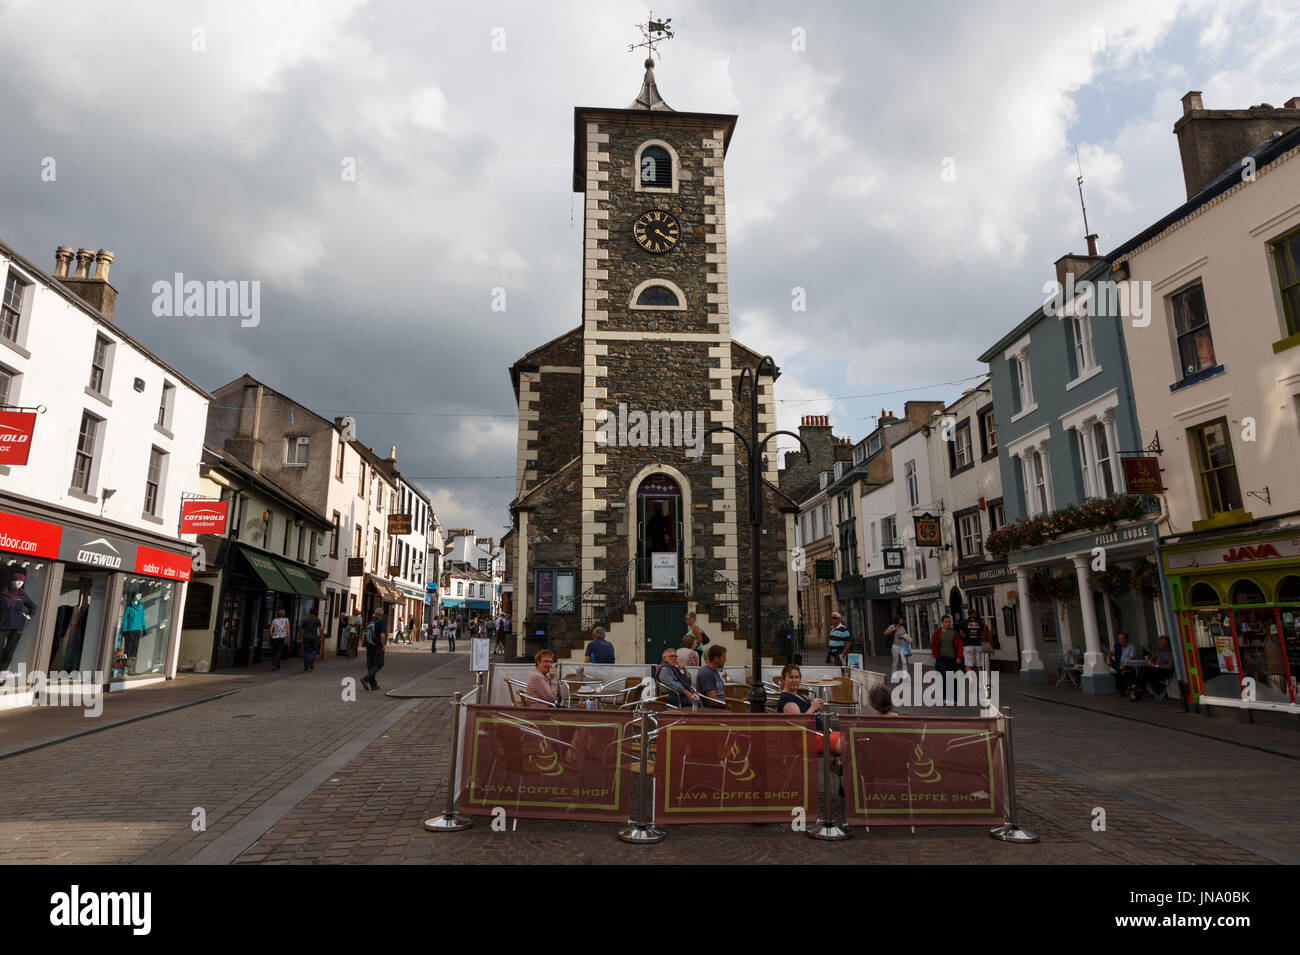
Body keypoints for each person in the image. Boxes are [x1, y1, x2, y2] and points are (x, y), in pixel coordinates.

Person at [777, 665, 847, 765]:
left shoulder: (796, 695)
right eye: (791, 677)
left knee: (851, 738)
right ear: (784, 679)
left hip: (817, 734)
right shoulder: (788, 700)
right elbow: (798, 726)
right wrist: (812, 708)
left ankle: (843, 768)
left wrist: (814, 707)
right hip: (805, 739)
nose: (794, 680)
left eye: (797, 677)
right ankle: (848, 771)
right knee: (848, 744)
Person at [0, 571, 37, 687]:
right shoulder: (3, 593)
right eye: (18, 581)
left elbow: (33, 606)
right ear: (12, 582)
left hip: (17, 627)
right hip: (3, 626)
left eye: (22, 582)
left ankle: (1, 677)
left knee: (9, 652)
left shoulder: (23, 596)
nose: (20, 584)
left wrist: (28, 615)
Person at [929, 614, 962, 703]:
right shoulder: (937, 632)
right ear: (942, 623)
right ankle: (945, 698)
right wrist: (936, 655)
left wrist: (959, 657)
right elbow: (933, 644)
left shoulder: (954, 633)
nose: (949, 623)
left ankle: (954, 698)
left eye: (949, 622)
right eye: (946, 622)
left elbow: (959, 646)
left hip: (952, 659)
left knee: (952, 678)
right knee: (944, 677)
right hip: (941, 659)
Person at [361, 609, 386, 691]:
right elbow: (382, 636)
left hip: (369, 646)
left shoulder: (370, 622)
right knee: (379, 664)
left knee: (371, 665)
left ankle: (373, 685)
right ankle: (366, 678)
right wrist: (383, 646)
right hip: (377, 646)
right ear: (381, 615)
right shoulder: (381, 623)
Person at [961, 610, 991, 675]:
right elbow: (982, 633)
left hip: (968, 645)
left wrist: (966, 637)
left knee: (968, 665)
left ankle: (971, 682)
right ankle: (982, 682)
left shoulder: (964, 622)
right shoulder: (980, 622)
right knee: (979, 665)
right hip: (978, 645)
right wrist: (977, 635)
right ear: (974, 613)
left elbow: (961, 633)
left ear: (968, 614)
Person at [1107, 631, 1136, 696]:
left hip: (1128, 666)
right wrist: (1108, 658)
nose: (1121, 640)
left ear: (1127, 639)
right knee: (1115, 665)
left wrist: (1124, 665)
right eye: (1119, 639)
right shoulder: (1117, 646)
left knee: (1119, 672)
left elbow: (1132, 658)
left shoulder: (1131, 647)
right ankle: (1121, 691)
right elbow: (1111, 653)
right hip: (1119, 665)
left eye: (1122, 638)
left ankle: (1121, 692)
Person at [300, 604, 322, 671]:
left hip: (306, 637)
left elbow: (302, 630)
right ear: (315, 613)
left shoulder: (305, 620)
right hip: (314, 637)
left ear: (309, 612)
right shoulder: (317, 620)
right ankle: (311, 661)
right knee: (314, 650)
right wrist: (320, 636)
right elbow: (320, 629)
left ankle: (306, 667)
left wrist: (302, 636)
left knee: (306, 652)